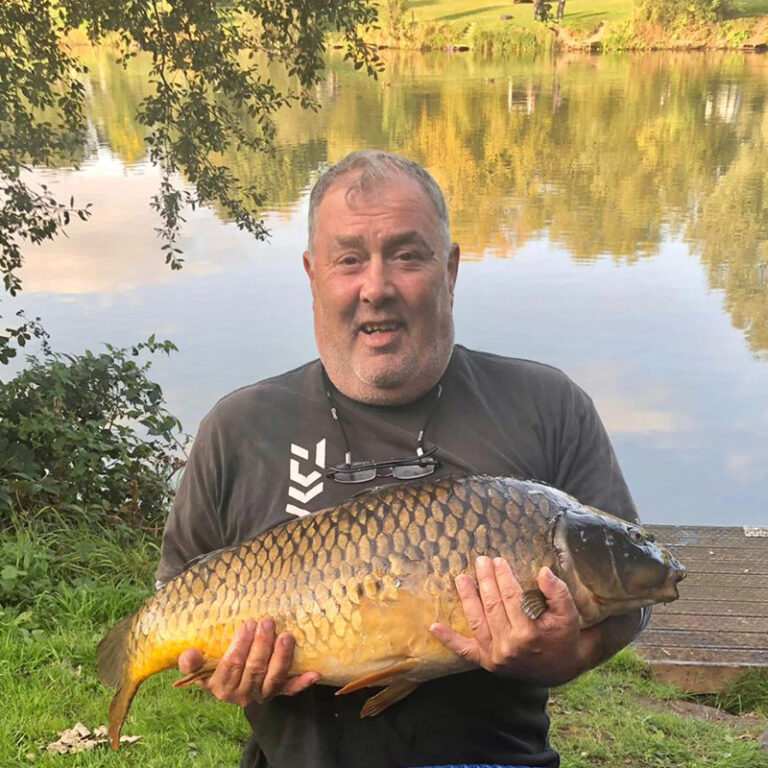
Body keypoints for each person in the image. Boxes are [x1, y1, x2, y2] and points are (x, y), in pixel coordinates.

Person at [156, 150, 647, 768]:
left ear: (451, 269)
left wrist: (568, 653)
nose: (376, 288)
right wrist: (218, 673)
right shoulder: (239, 427)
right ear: (313, 275)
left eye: (407, 255)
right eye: (349, 259)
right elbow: (179, 608)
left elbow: (628, 597)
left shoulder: (546, 406)